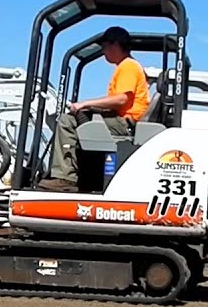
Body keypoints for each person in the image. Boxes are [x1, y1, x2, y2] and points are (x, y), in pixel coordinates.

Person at [39, 26, 151, 192]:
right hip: (122, 120)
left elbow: (122, 100)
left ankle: (65, 178)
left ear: (115, 45)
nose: (103, 52)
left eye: (104, 47)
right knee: (79, 118)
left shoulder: (128, 66)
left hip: (124, 123)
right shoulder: (127, 66)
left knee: (67, 121)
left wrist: (85, 104)